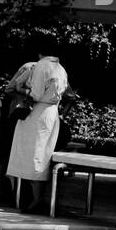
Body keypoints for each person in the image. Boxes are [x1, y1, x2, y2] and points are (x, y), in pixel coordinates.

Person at [5, 54, 69, 212]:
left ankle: (35, 198)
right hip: (52, 114)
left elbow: (36, 94)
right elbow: (67, 91)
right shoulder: (60, 69)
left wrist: (22, 90)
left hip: (38, 113)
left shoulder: (41, 66)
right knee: (41, 155)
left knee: (33, 155)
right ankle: (35, 197)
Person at [0, 59, 35, 206]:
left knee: (5, 151)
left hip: (20, 112)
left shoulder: (30, 67)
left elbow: (9, 89)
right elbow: (70, 96)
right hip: (30, 115)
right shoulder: (56, 70)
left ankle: (0, 193)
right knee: (15, 151)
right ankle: (10, 192)